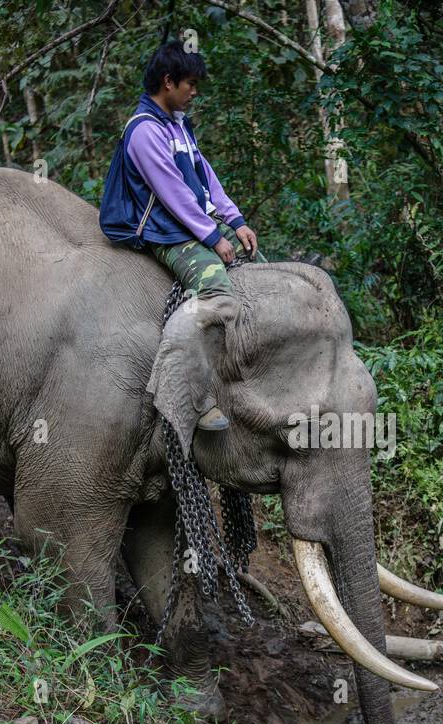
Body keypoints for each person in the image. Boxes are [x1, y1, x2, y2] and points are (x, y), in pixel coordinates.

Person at [99, 40, 265, 433]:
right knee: (217, 294)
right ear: (168, 81)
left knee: (259, 268)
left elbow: (205, 178)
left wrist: (235, 221)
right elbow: (173, 193)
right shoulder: (143, 131)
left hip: (190, 224)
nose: (195, 91)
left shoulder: (177, 126)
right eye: (190, 83)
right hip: (167, 233)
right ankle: (191, 393)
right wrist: (213, 237)